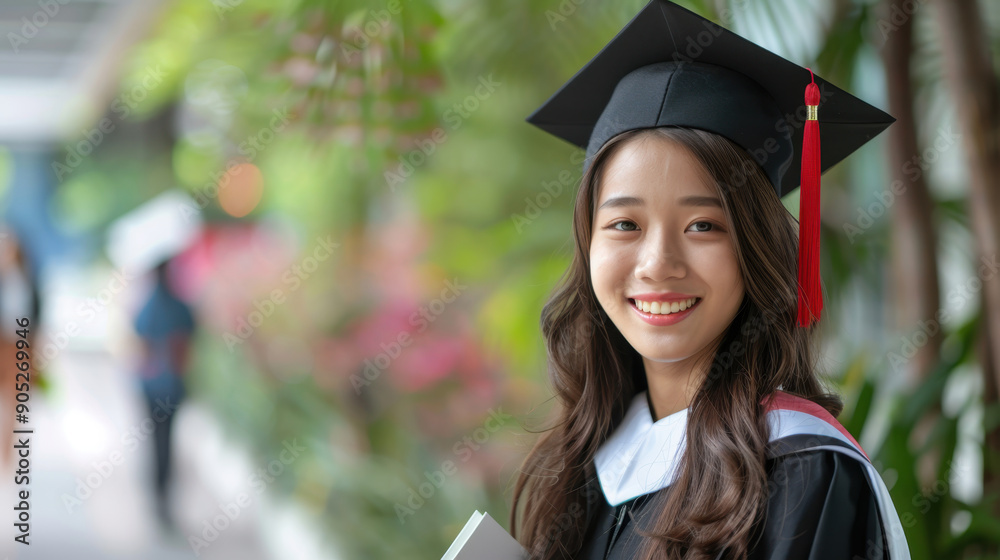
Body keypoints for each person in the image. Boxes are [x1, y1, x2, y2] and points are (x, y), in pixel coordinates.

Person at [510, 1, 908, 559]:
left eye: (704, 225)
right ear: (588, 243)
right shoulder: (587, 467)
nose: (657, 262)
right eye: (625, 223)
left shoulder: (802, 473)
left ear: (757, 245)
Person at [133, 257, 195, 531]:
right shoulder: (179, 306)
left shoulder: (147, 307)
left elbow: (140, 347)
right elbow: (189, 341)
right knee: (166, 441)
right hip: (171, 386)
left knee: (156, 442)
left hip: (152, 387)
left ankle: (158, 492)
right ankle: (163, 493)